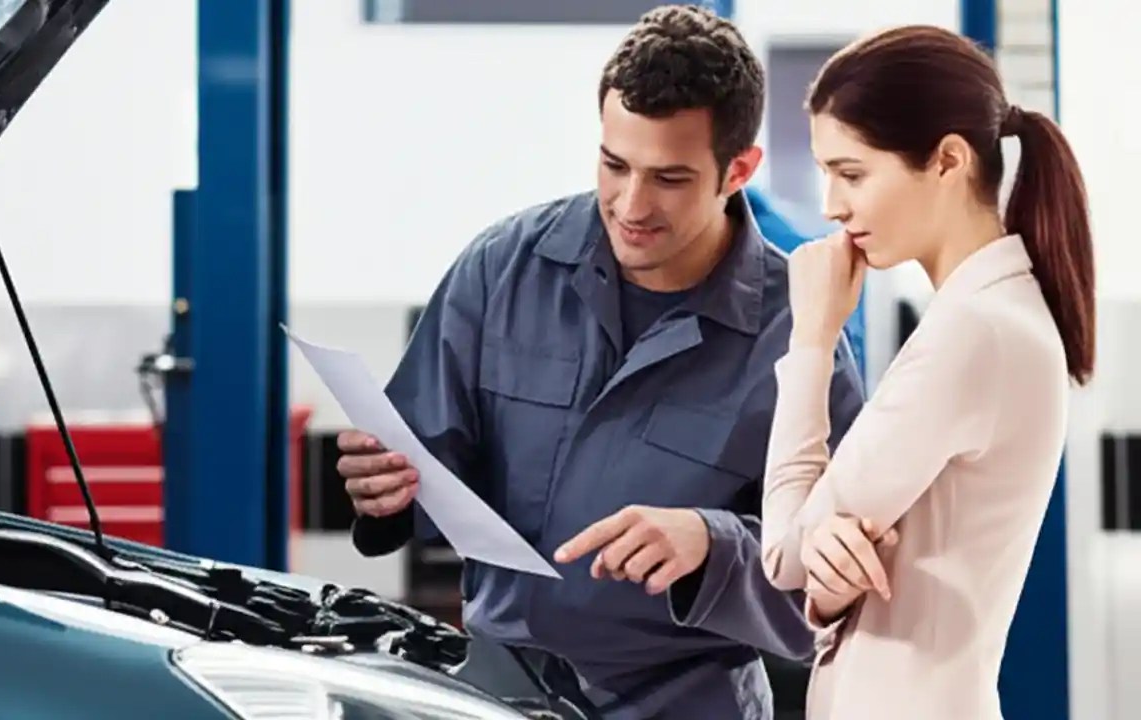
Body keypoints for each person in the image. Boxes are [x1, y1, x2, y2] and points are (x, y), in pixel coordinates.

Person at [337, 6, 866, 718]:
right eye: (615, 165)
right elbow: (423, 463)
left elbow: (834, 590)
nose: (632, 204)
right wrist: (383, 495)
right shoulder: (505, 269)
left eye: (670, 178)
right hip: (495, 695)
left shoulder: (798, 334)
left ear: (737, 170)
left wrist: (712, 546)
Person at [758, 24, 1094, 720]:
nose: (831, 206)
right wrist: (831, 576)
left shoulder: (973, 334)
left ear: (947, 161)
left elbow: (782, 558)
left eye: (851, 173)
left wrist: (813, 340)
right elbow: (825, 572)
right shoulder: (985, 314)